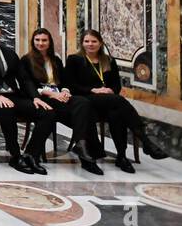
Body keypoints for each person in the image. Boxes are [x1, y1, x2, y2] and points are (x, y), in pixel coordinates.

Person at [66, 29, 168, 172]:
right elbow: (71, 85)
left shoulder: (108, 60)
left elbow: (116, 85)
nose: (90, 44)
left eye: (94, 41)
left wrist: (110, 91)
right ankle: (145, 141)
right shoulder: (74, 60)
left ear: (100, 43)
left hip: (108, 101)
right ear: (82, 43)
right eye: (87, 41)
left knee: (117, 114)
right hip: (86, 101)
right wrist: (93, 90)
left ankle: (121, 157)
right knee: (118, 102)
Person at [0, 19, 56, 175]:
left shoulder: (9, 52)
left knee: (47, 112)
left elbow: (24, 79)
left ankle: (31, 155)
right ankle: (15, 156)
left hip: (13, 95)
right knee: (7, 108)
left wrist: (35, 97)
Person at [20, 28, 102, 174]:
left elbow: (65, 81)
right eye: (37, 40)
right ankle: (88, 155)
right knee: (63, 114)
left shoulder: (55, 59)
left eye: (44, 40)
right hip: (42, 97)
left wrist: (65, 91)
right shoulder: (26, 60)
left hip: (59, 96)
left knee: (83, 103)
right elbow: (27, 84)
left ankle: (81, 146)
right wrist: (51, 94)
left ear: (49, 41)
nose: (41, 43)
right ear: (33, 42)